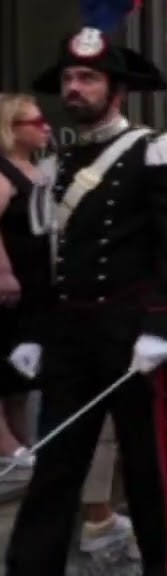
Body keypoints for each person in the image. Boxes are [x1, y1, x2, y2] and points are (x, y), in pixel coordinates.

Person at [4, 0, 167, 575]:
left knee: (146, 469)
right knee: (56, 466)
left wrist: (160, 327)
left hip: (131, 334)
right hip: (70, 338)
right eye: (68, 77)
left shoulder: (155, 151)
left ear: (116, 89)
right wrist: (34, 332)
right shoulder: (55, 166)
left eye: (87, 78)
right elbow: (43, 258)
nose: (74, 88)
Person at [0, 94, 51, 469]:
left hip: (37, 283)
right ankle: (5, 442)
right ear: (12, 129)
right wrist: (3, 272)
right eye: (35, 122)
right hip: (11, 283)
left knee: (21, 372)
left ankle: (22, 439)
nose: (45, 127)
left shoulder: (38, 170)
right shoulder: (4, 174)